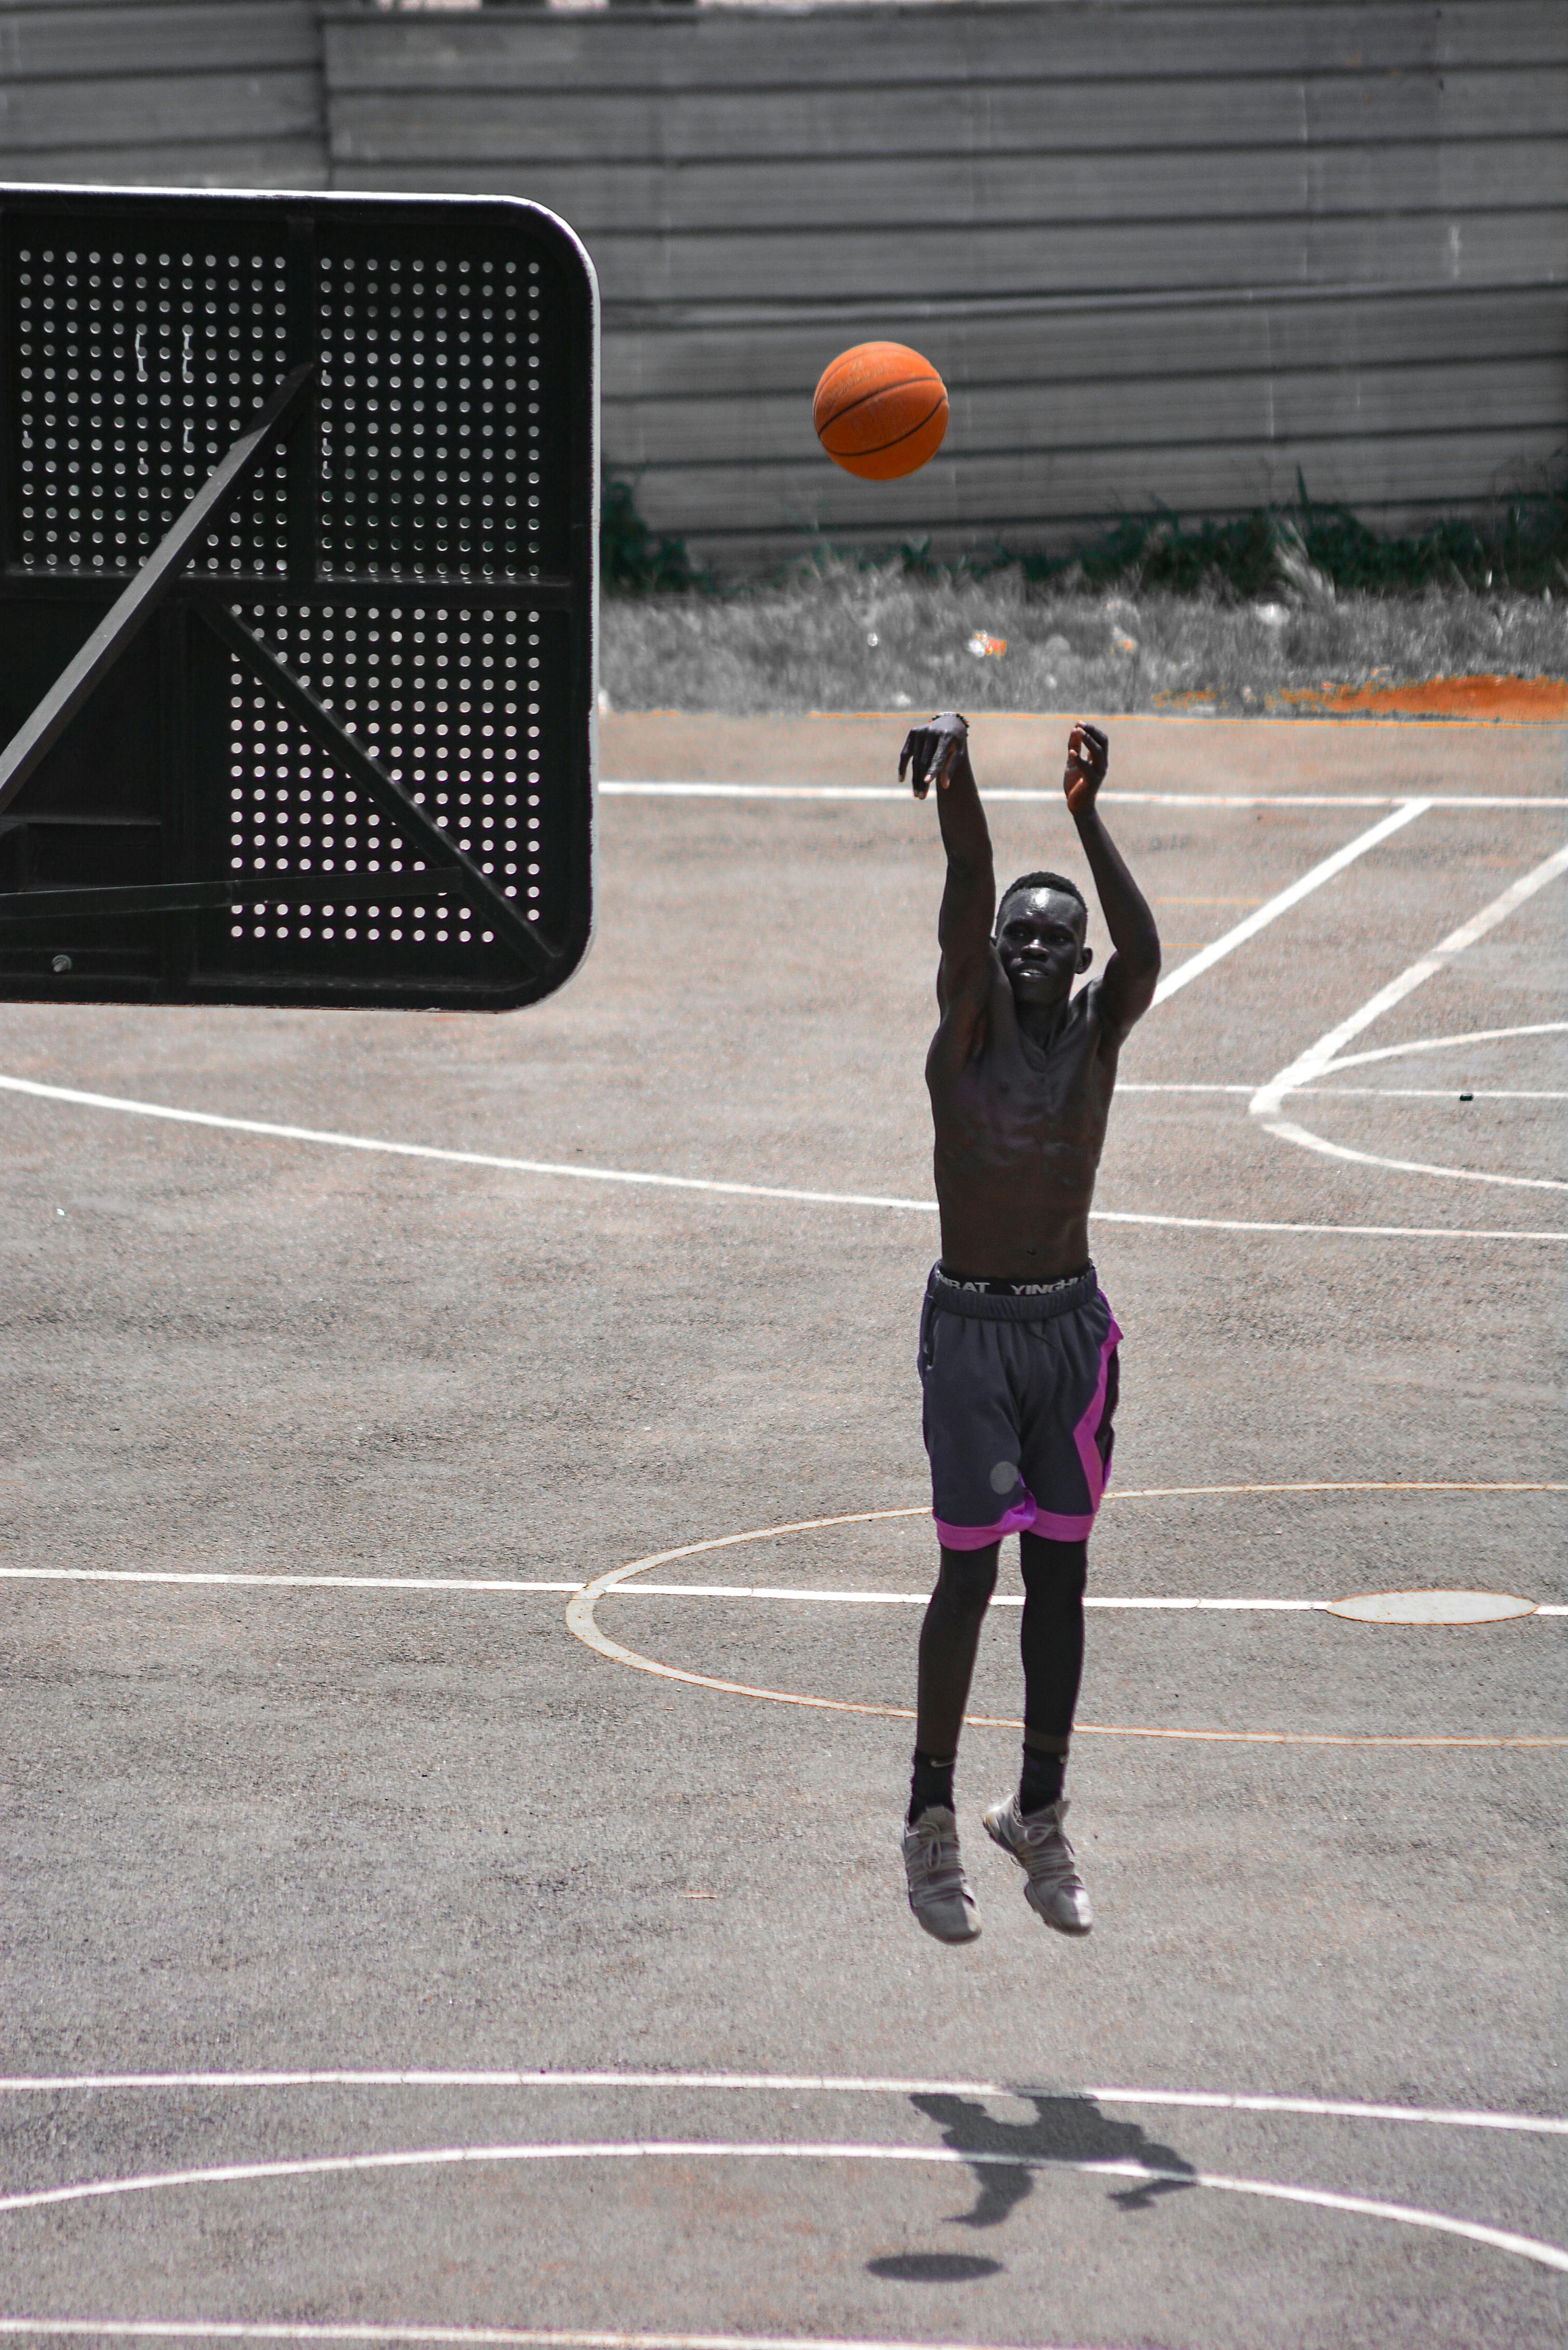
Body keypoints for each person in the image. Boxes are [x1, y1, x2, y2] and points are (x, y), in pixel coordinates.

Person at [896, 711, 1160, 1944]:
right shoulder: (967, 1034)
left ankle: (1038, 1811)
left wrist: (1088, 819)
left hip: (1070, 1331)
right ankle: (930, 1816)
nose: (1042, 948)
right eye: (1024, 935)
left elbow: (1150, 949)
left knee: (1061, 1573)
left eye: (1063, 936)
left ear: (1081, 952)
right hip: (975, 1332)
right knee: (968, 1573)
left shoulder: (1100, 1040)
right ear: (996, 954)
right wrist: (964, 777)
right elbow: (965, 884)